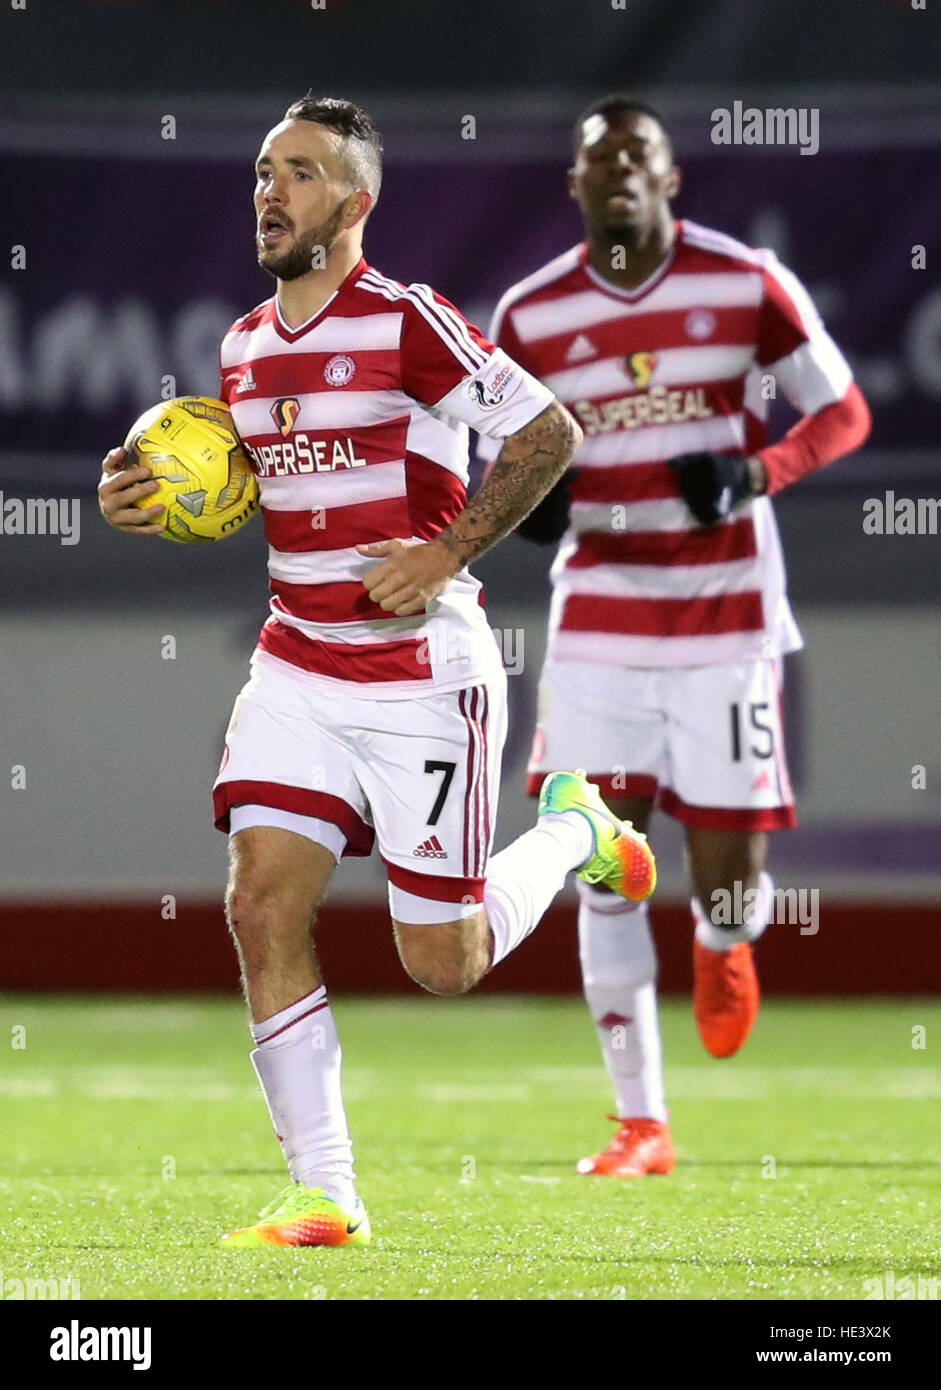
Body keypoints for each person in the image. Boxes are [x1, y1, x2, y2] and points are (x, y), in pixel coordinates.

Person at [97, 96, 656, 1245]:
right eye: (262, 170)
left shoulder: (408, 322)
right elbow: (240, 481)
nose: (269, 190)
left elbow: (547, 430)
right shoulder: (243, 347)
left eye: (298, 173)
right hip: (296, 665)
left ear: (354, 203)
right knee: (259, 902)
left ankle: (572, 829)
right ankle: (326, 1190)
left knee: (440, 963)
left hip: (421, 673)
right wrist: (143, 495)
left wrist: (447, 549)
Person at [481, 95, 870, 1178]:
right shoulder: (531, 314)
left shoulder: (742, 280)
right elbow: (507, 458)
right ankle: (638, 1121)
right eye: (596, 157)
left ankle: (724, 942)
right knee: (601, 861)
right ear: (573, 185)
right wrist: (529, 504)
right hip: (598, 622)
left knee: (725, 880)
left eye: (636, 154)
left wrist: (757, 470)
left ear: (669, 177)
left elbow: (839, 412)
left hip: (725, 615)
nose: (616, 170)